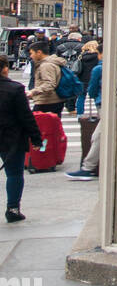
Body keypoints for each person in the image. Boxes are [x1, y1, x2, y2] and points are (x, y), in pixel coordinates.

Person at [0, 53, 43, 224]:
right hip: (11, 138)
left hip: (10, 137)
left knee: (14, 173)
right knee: (14, 173)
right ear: (5, 69)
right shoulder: (15, 89)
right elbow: (26, 117)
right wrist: (36, 138)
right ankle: (13, 208)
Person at [66, 43, 102, 181]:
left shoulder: (98, 68)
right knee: (98, 136)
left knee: (98, 136)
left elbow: (92, 90)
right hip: (108, 104)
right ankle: (89, 167)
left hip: (102, 103)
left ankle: (88, 168)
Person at [25, 37, 64, 115]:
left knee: (36, 124)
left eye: (32, 53)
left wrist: (33, 91)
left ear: (39, 52)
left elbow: (50, 84)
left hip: (47, 101)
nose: (31, 56)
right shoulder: (50, 62)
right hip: (51, 100)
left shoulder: (46, 65)